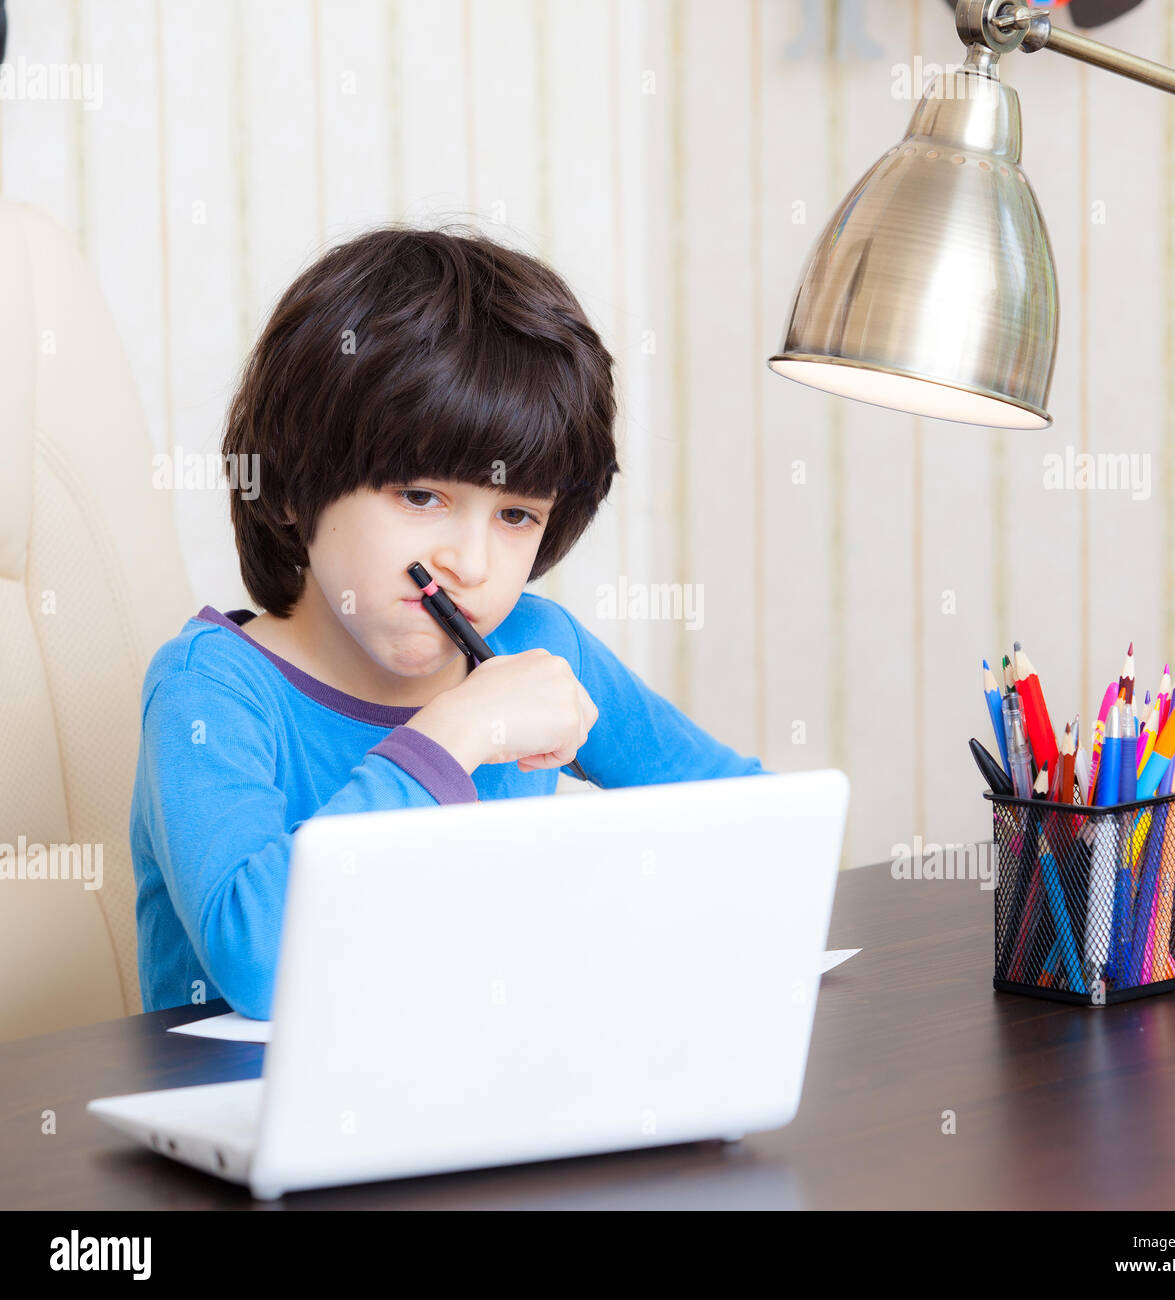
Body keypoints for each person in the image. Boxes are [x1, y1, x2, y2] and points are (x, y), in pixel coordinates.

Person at [131, 223, 769, 1019]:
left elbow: (744, 818)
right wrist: (454, 734)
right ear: (294, 488)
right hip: (249, 1108)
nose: (470, 561)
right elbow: (261, 962)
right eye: (421, 497)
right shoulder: (211, 691)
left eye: (514, 515)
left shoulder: (536, 647)